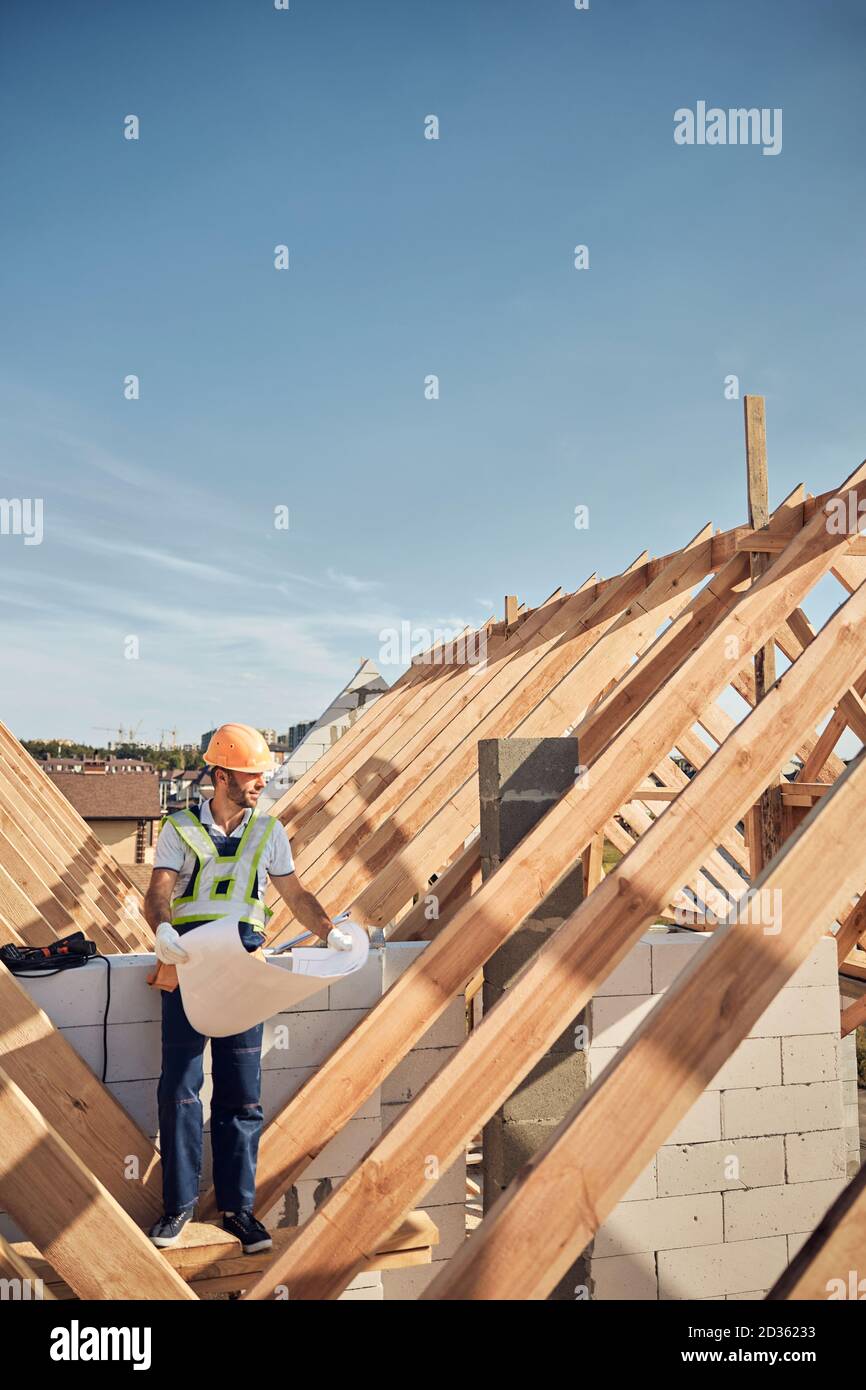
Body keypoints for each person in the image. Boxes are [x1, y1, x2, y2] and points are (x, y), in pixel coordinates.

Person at [143, 722, 350, 1252]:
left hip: (245, 973)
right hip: (188, 968)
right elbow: (159, 891)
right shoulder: (179, 827)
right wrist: (162, 929)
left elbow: (296, 895)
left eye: (262, 775)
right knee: (181, 1090)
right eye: (250, 775)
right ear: (220, 775)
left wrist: (330, 933)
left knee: (242, 1095)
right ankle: (179, 1209)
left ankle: (238, 1211)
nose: (260, 783)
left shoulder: (269, 832)